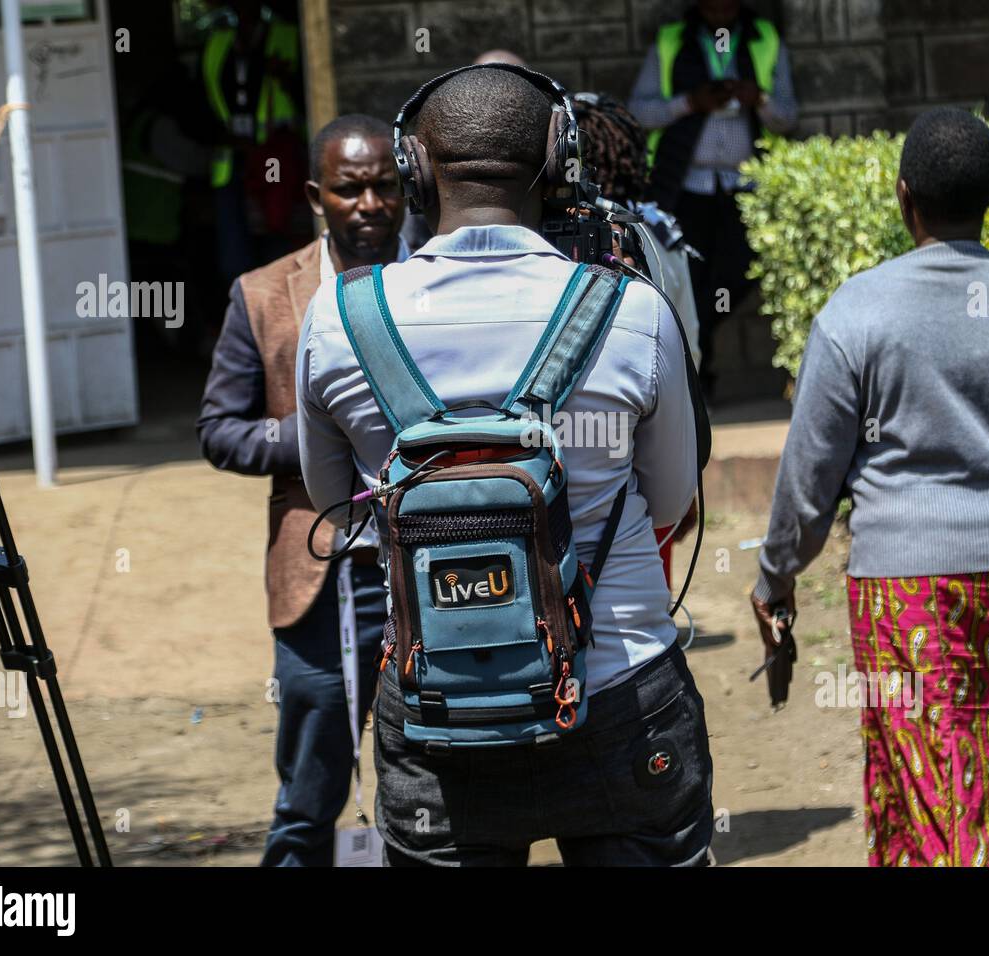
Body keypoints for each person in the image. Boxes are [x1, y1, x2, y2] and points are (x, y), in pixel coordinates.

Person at [296, 66, 712, 866]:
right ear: (561, 161)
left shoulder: (339, 319)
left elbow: (336, 504)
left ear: (412, 166)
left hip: (434, 705)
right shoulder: (630, 311)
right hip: (621, 694)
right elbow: (669, 502)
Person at [750, 107, 989, 867]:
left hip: (901, 592)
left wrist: (776, 577)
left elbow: (809, 481)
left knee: (927, 778)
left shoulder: (855, 312)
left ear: (905, 197)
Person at [197, 113, 410, 867]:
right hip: (321, 579)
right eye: (351, 190)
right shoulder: (262, 295)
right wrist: (322, 436)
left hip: (428, 566)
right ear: (318, 195)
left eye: (385, 186)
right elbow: (220, 430)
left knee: (436, 786)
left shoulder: (439, 284)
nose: (371, 205)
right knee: (308, 796)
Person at [628, 0, 797, 394]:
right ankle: (698, 376)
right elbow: (639, 111)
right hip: (686, 187)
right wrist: (691, 102)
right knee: (689, 278)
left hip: (748, 188)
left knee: (738, 272)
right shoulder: (671, 42)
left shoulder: (766, 39)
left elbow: (789, 117)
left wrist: (761, 100)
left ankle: (694, 356)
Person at [572, 90, 701, 583]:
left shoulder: (541, 239)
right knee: (644, 577)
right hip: (644, 441)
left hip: (569, 445)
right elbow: (688, 346)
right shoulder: (660, 233)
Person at [202, 1, 307, 289]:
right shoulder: (218, 42)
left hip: (276, 158)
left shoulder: (288, 35)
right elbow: (204, 100)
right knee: (234, 256)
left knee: (278, 240)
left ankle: (282, 310)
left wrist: (286, 79)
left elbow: (312, 94)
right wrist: (221, 136)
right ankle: (247, 314)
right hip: (233, 161)